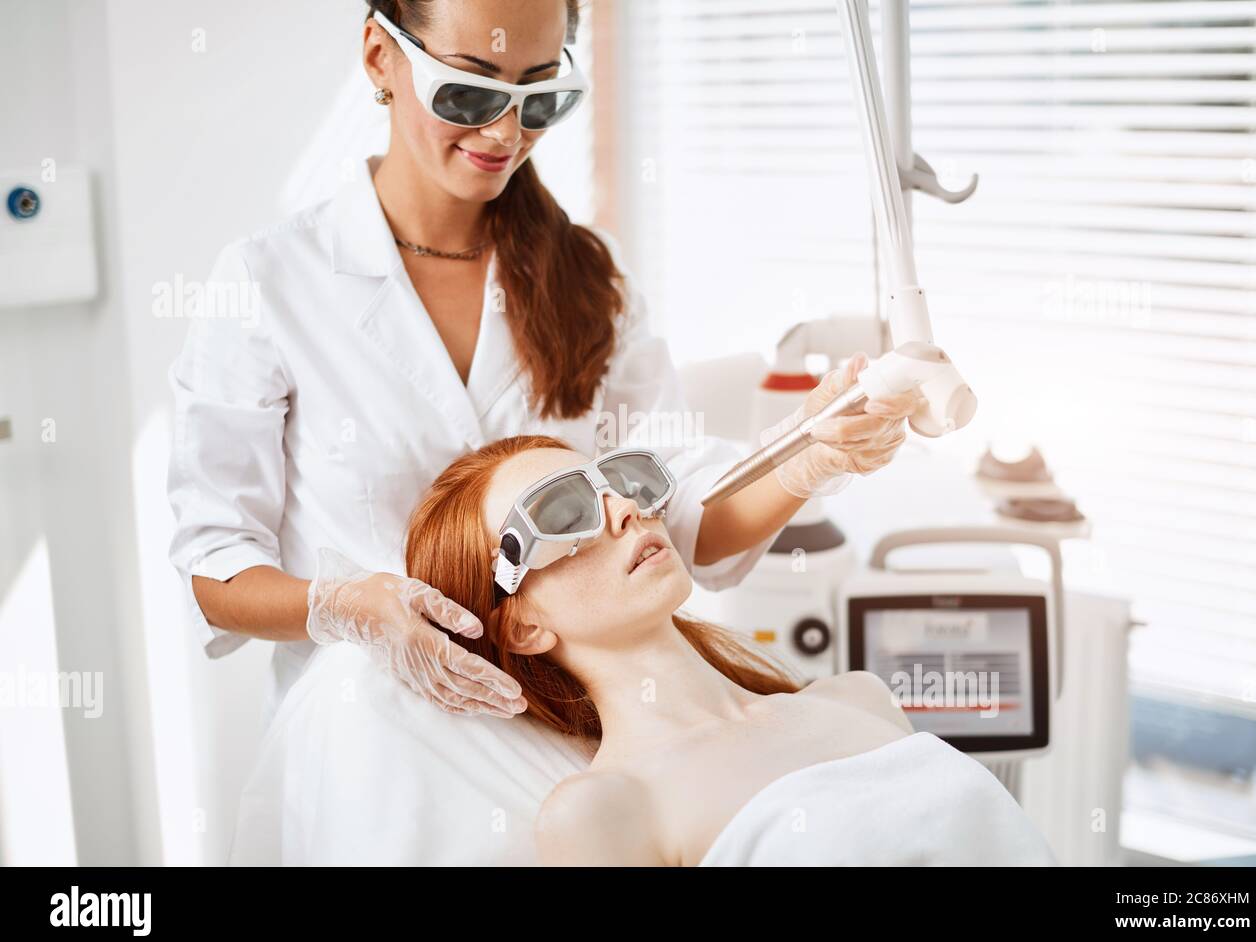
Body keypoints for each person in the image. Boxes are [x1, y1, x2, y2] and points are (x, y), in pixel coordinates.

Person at [167, 0, 921, 718]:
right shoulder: (271, 285)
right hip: (366, 726)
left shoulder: (589, 280)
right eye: (466, 93)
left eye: (538, 99)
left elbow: (680, 511)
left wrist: (808, 458)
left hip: (563, 723)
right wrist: (348, 606)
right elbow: (215, 562)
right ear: (379, 58)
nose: (503, 132)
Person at [399, 434, 1057, 866]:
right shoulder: (605, 812)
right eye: (566, 514)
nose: (625, 510)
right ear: (521, 628)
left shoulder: (859, 696)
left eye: (618, 483)